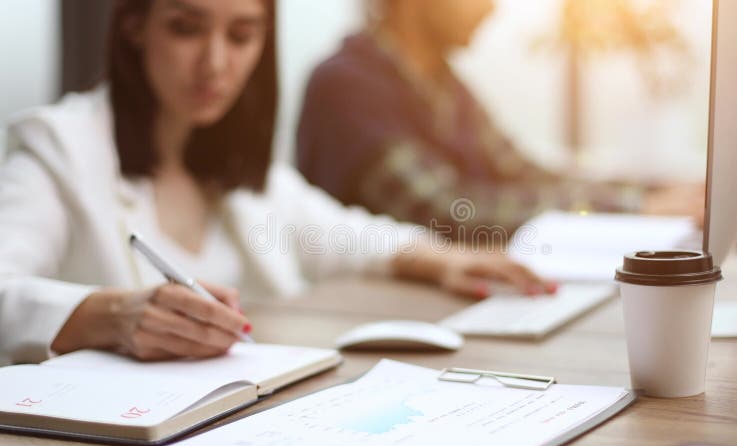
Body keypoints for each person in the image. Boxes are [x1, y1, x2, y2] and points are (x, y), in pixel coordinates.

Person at [0, 0, 546, 366]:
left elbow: (344, 235)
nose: (216, 64)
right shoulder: (60, 151)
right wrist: (111, 317)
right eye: (186, 28)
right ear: (135, 25)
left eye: (242, 35)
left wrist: (442, 258)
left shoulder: (231, 166)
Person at [296, 0, 704, 238]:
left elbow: (523, 172)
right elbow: (449, 210)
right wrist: (634, 208)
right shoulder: (346, 86)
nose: (493, 7)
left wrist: (656, 190)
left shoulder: (443, 83)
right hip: (366, 322)